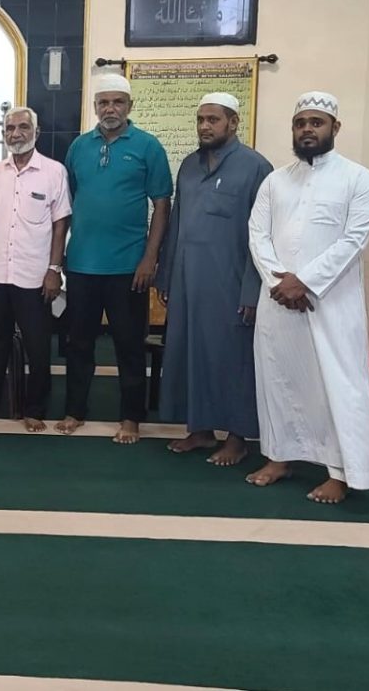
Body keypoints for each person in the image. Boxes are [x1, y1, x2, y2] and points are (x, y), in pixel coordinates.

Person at [246, 92, 369, 504]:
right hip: (278, 300)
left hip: (330, 302)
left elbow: (354, 240)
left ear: (334, 128)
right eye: (300, 122)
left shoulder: (359, 179)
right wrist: (279, 282)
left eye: (316, 122)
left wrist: (303, 281)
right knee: (278, 378)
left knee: (338, 385)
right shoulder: (276, 180)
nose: (307, 129)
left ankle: (342, 473)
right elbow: (257, 233)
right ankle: (280, 456)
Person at [155, 93, 272, 466]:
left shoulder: (256, 167)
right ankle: (201, 430)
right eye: (201, 120)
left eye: (213, 120)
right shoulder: (188, 166)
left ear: (233, 123)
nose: (205, 126)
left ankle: (237, 438)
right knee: (189, 353)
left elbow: (265, 235)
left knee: (233, 359)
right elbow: (176, 224)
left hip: (231, 283)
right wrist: (166, 275)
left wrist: (253, 290)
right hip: (187, 282)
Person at [62, 73, 172, 444]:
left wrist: (149, 258)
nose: (110, 109)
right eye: (103, 102)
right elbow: (72, 199)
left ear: (129, 106)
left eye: (118, 102)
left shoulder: (148, 146)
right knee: (78, 344)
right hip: (80, 265)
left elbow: (161, 204)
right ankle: (75, 409)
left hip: (129, 267)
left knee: (128, 344)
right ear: (95, 107)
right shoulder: (79, 147)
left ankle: (131, 418)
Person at [0, 106, 70, 433]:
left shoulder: (54, 172)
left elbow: (60, 223)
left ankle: (34, 410)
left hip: (35, 276)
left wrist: (54, 269)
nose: (16, 133)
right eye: (10, 128)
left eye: (23, 127)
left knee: (37, 347)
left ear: (35, 133)